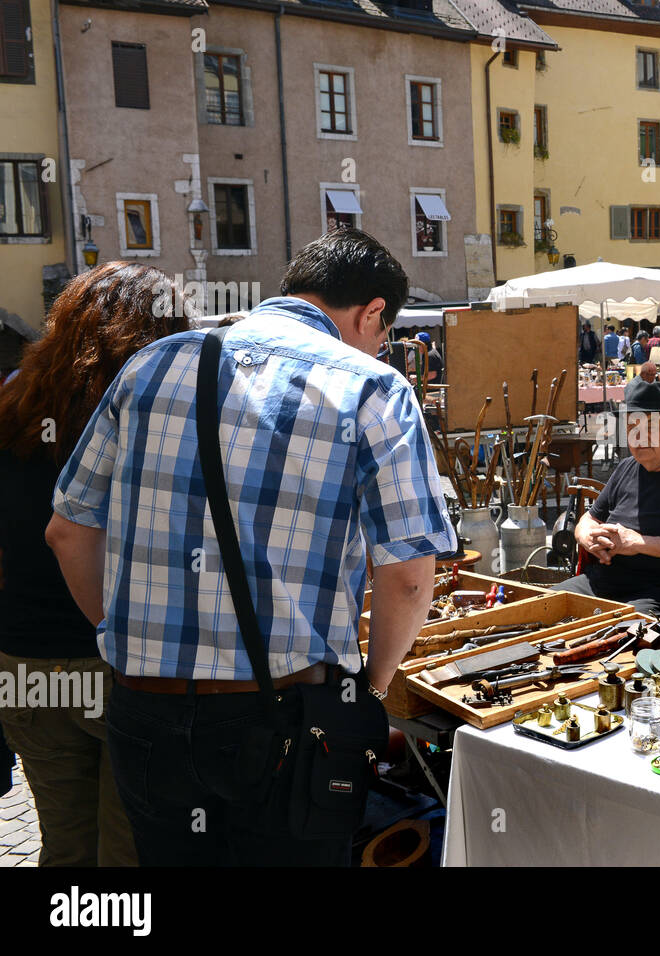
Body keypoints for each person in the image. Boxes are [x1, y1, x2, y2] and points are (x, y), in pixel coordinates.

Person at [46, 229, 455, 866]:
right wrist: (369, 692)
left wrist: (118, 633)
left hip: (142, 707)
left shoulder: (152, 363)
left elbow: (68, 530)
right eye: (383, 331)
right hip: (285, 719)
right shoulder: (373, 388)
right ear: (372, 312)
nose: (381, 345)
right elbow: (407, 575)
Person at [0, 262, 190, 867]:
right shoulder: (144, 416)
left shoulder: (11, 404)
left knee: (65, 846)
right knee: (130, 852)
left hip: (23, 661)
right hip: (117, 661)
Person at [553, 379, 660, 617]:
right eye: (632, 427)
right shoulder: (626, 468)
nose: (639, 436)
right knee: (542, 608)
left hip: (651, 593)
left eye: (650, 427)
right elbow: (587, 520)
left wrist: (637, 542)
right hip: (600, 582)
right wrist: (587, 536)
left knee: (625, 639)